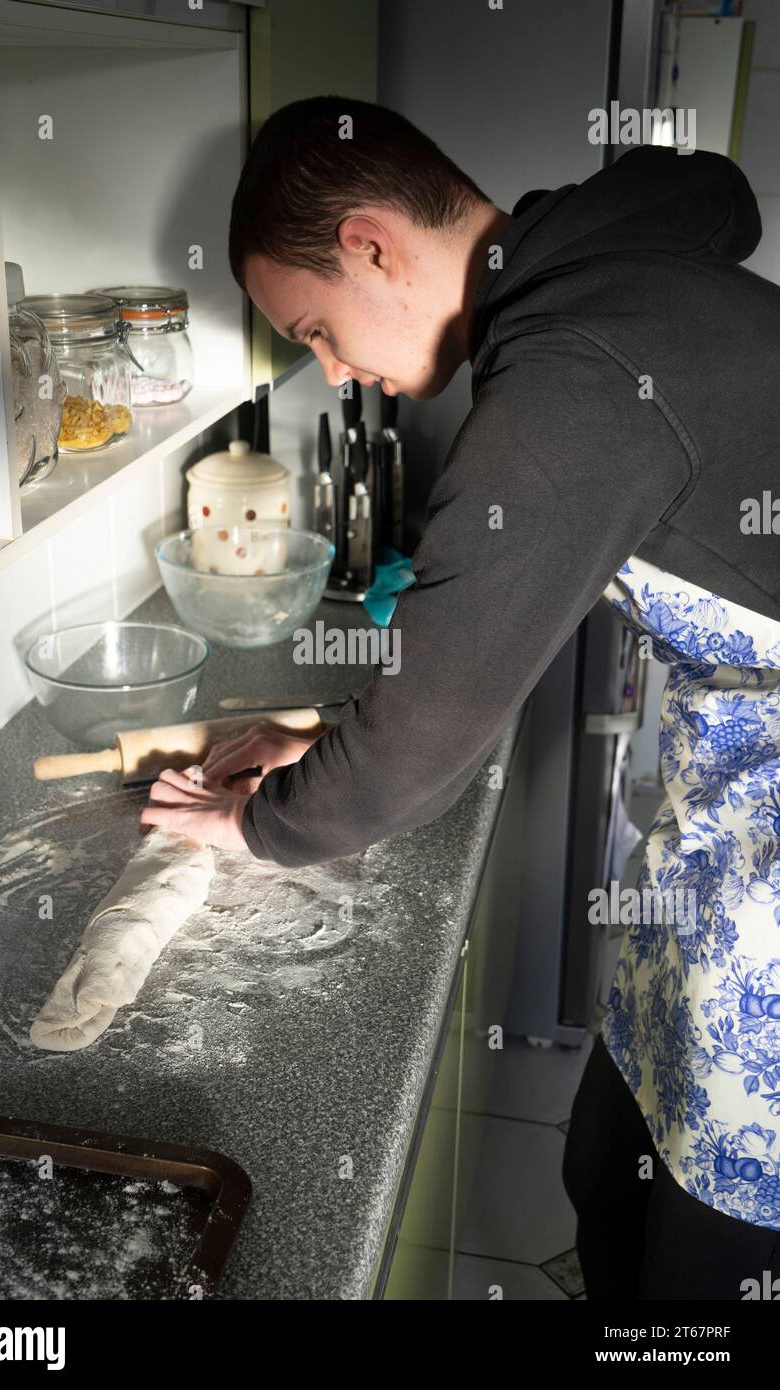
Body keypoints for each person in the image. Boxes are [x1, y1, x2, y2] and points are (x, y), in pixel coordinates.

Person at [141, 97, 780, 1298]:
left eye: (316, 328)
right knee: (615, 1151)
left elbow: (421, 743)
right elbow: (711, 188)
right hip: (731, 789)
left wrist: (257, 822)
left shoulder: (566, 372)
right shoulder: (594, 252)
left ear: (373, 242)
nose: (331, 369)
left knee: (725, 1213)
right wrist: (328, 729)